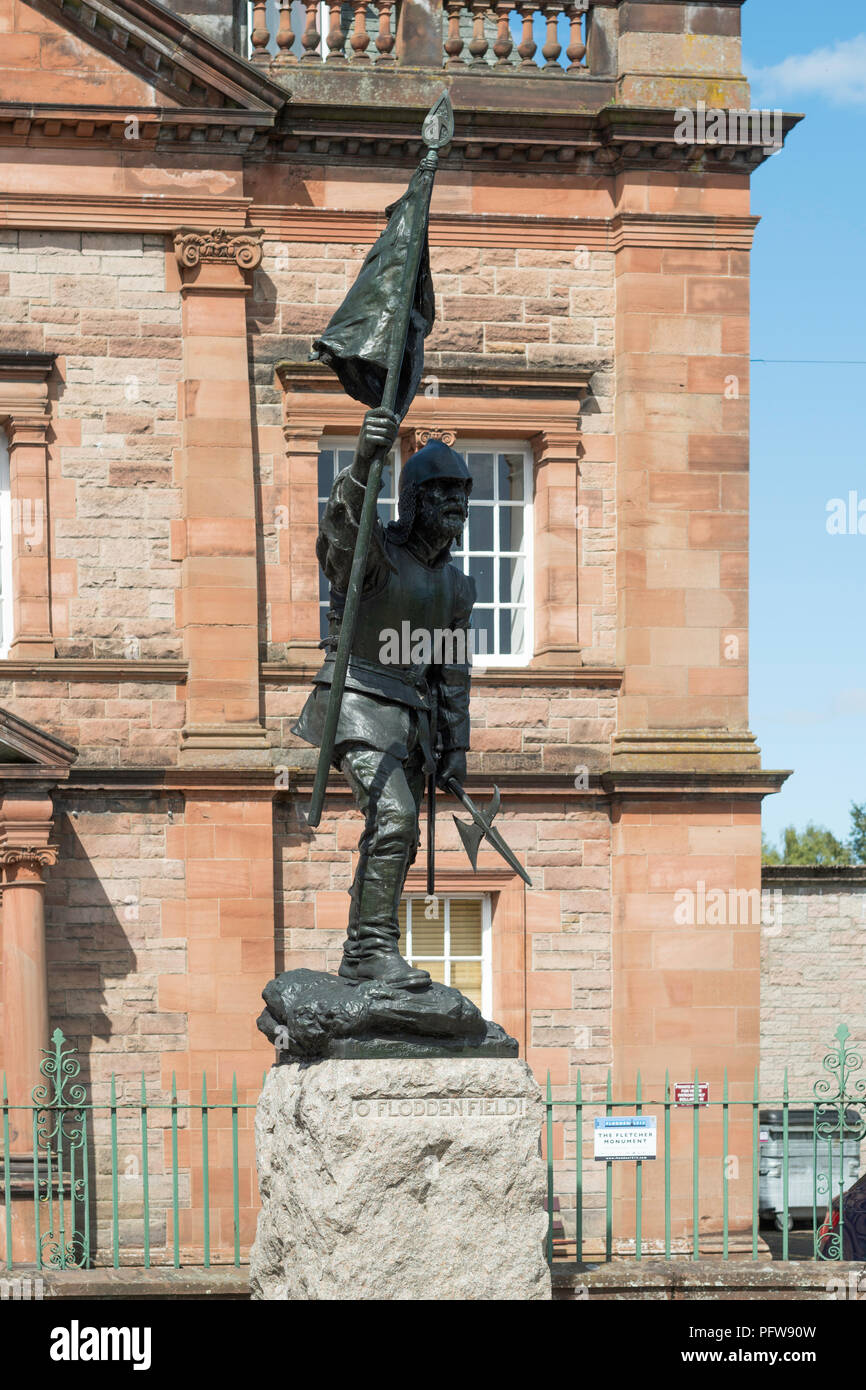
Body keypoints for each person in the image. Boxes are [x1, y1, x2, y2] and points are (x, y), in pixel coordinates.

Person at [293, 407, 475, 989]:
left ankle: (365, 950)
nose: (456, 502)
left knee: (402, 832)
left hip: (407, 720)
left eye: (463, 492)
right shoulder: (377, 556)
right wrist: (362, 463)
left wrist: (454, 748)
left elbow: (451, 672)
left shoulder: (456, 583)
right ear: (415, 497)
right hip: (354, 699)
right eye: (443, 491)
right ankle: (371, 948)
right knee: (395, 817)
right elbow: (339, 539)